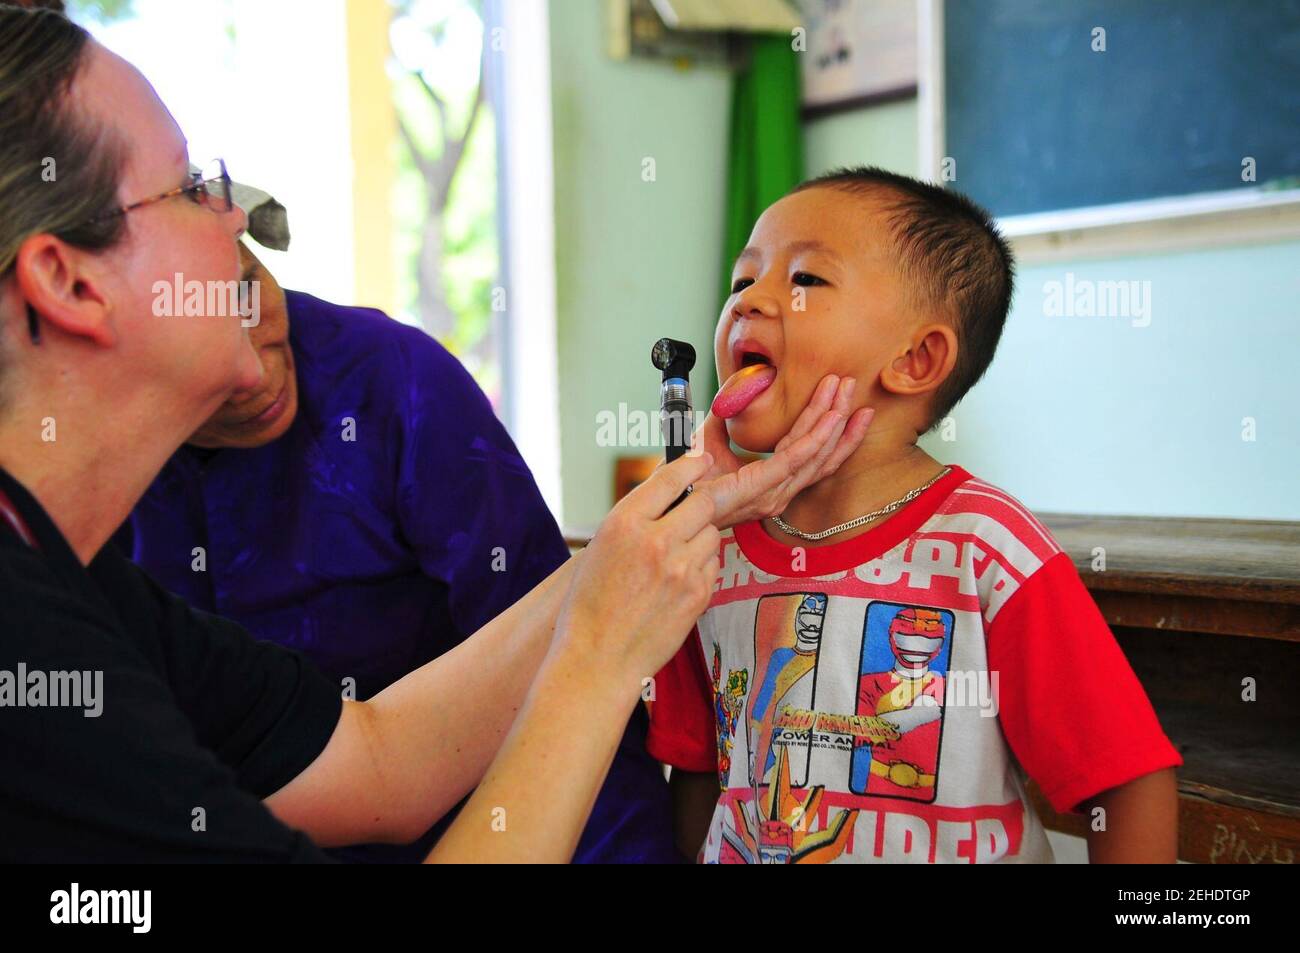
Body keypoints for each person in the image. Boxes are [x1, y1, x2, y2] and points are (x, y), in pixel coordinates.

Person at [0, 6, 870, 862]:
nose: (235, 218)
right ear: (66, 282)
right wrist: (601, 657)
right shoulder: (36, 668)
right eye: (191, 187)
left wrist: (649, 531)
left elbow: (379, 758)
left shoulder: (83, 589)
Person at [648, 167, 1182, 864]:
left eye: (805, 280)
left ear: (916, 359)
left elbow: (1127, 776)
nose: (750, 302)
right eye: (742, 282)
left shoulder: (987, 549)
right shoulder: (704, 551)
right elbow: (701, 768)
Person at [117, 241, 681, 863]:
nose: (256, 371)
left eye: (250, 287)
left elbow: (563, 656)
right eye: (206, 356)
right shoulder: (80, 495)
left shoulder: (395, 383)